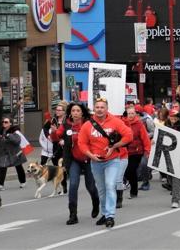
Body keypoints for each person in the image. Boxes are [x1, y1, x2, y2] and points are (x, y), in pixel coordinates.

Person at [77, 97, 132, 228]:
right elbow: (82, 143)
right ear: (94, 109)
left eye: (102, 107)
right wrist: (91, 155)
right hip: (95, 162)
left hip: (112, 160)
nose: (100, 110)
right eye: (97, 107)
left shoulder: (115, 121)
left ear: (107, 108)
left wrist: (114, 146)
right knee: (101, 190)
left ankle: (110, 216)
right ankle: (104, 213)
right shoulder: (87, 125)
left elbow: (129, 135)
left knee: (110, 185)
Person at [50, 102, 100, 225]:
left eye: (78, 111)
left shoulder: (89, 123)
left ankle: (96, 201)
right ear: (70, 113)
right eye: (73, 111)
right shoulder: (66, 124)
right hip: (74, 160)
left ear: (82, 112)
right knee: (73, 185)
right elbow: (56, 138)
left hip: (88, 159)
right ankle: (73, 215)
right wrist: (53, 132)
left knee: (91, 186)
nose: (75, 113)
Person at [122, 103, 151, 200]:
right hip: (125, 152)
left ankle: (133, 191)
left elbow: (145, 138)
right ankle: (133, 190)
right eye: (129, 113)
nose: (130, 115)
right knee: (128, 172)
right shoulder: (122, 123)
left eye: (132, 113)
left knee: (131, 170)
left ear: (135, 114)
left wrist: (147, 151)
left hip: (137, 152)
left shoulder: (139, 124)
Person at [0, 117, 27, 190]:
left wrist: (8, 135)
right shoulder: (1, 131)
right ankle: (1, 184)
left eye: (6, 122)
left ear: (10, 123)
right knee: (2, 167)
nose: (4, 123)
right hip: (4, 153)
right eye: (3, 122)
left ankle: (23, 181)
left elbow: (17, 141)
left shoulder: (15, 131)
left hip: (15, 153)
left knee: (18, 167)